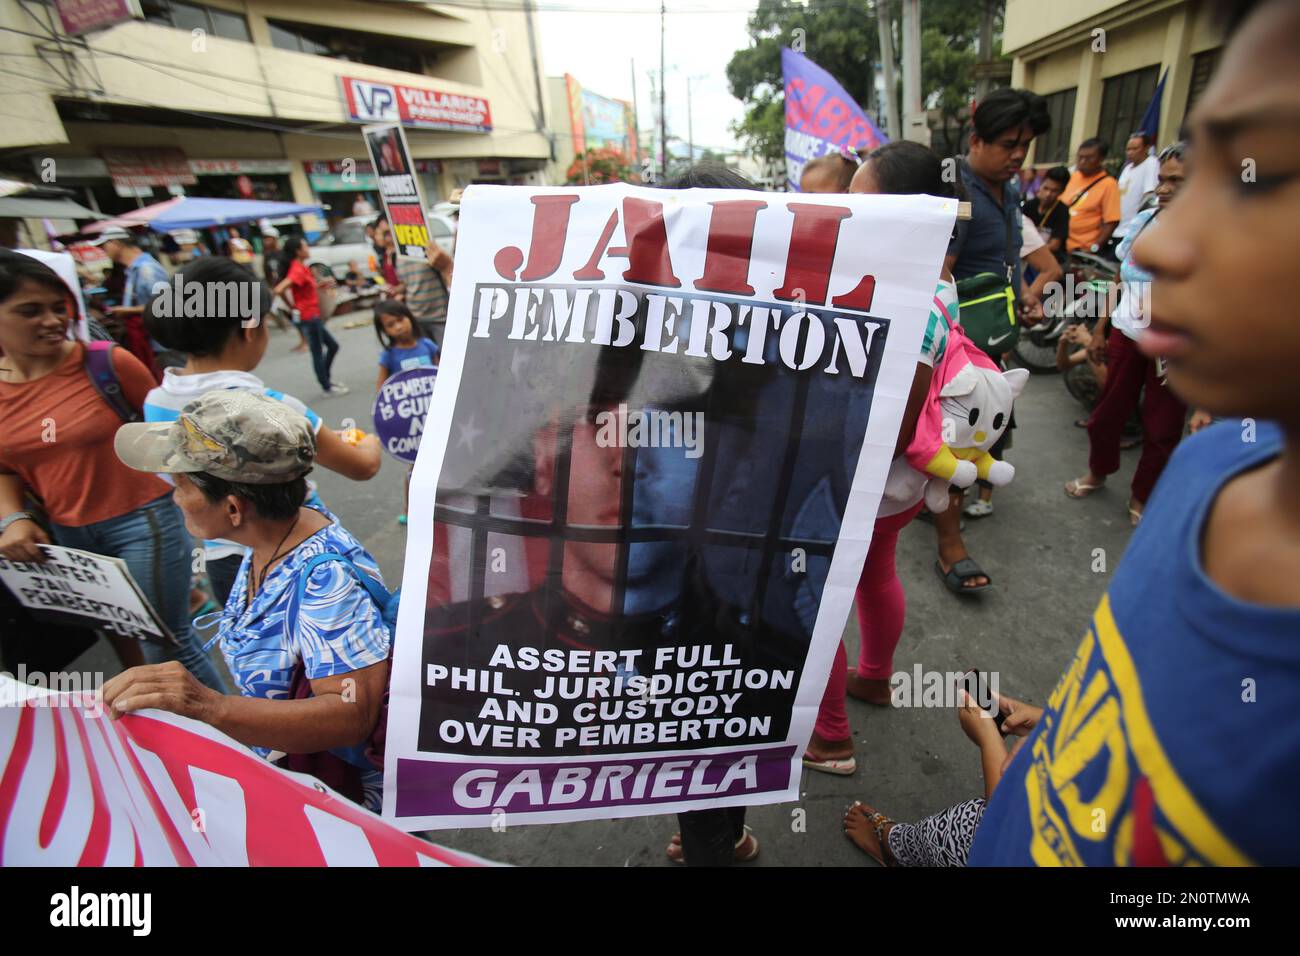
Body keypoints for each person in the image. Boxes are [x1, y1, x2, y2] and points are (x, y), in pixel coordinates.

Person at [107, 391, 392, 813]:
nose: (174, 497)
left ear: (234, 507)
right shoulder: (274, 534)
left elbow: (351, 715)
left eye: (181, 484)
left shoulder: (325, 581)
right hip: (294, 780)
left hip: (345, 807)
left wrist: (209, 706)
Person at [805, 140, 965, 774]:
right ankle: (873, 676)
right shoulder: (938, 281)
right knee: (875, 576)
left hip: (867, 478)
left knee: (816, 602)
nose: (850, 214)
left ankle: (831, 738)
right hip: (900, 487)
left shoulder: (909, 296)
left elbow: (897, 421)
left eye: (861, 203)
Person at [0, 250, 224, 690]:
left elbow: (172, 430)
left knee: (165, 643)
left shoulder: (106, 363)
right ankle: (163, 746)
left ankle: (234, 745)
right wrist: (13, 519)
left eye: (57, 307)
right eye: (30, 311)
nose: (51, 320)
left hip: (145, 522)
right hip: (66, 536)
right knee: (127, 646)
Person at [143, 256, 382, 604]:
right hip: (299, 553)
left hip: (225, 561)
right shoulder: (274, 406)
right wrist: (370, 443)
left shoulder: (155, 402)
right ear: (250, 328)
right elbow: (362, 467)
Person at [941, 86, 1050, 592]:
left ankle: (953, 499)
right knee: (959, 440)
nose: (1016, 156)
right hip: (959, 349)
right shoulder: (956, 192)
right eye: (1008, 144)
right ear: (976, 140)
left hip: (996, 338)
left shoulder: (1009, 192)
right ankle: (949, 548)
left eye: (1023, 147)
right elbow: (942, 274)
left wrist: (1025, 295)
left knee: (986, 432)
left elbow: (1017, 260)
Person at [1065, 142, 1189, 525]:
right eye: (1162, 180)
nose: (1164, 189)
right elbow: (1119, 279)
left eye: (1177, 182)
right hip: (1125, 333)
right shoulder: (1146, 222)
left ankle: (1142, 496)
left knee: (1162, 427)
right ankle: (1098, 472)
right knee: (1106, 415)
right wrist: (1101, 328)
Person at [89, 226, 169, 379]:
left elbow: (165, 305)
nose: (103, 251)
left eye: (104, 246)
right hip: (152, 342)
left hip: (160, 344)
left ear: (116, 243)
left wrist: (127, 311)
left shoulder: (147, 269)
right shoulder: (134, 270)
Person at [274, 236, 348, 397]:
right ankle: (326, 386)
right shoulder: (297, 269)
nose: (308, 249)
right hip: (308, 316)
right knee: (318, 351)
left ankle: (326, 380)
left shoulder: (301, 267)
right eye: (305, 246)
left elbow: (304, 288)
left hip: (311, 314)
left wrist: (321, 285)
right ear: (298, 251)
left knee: (332, 346)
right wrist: (291, 306)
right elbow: (279, 289)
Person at [1062, 138, 1122, 257]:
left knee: (1070, 276)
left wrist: (1094, 248)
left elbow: (1112, 221)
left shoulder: (1108, 184)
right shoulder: (1073, 177)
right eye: (1080, 157)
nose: (1083, 162)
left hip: (1080, 251)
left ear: (1101, 159)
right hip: (1062, 246)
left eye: (1089, 158)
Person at [393, 241, 454, 346]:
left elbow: (448, 277)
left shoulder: (431, 252)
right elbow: (406, 284)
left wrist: (447, 267)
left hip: (440, 317)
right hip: (417, 318)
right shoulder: (399, 256)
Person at [1115, 131, 1160, 241]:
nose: (1130, 153)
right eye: (1128, 149)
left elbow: (1149, 196)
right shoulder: (1127, 168)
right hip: (1119, 228)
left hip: (1134, 229)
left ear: (1147, 148)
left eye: (1135, 149)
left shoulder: (1151, 163)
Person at [1021, 164, 1070, 263]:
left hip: (1052, 259)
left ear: (1062, 191)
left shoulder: (1062, 211)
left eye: (1054, 191)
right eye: (1046, 188)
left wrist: (1028, 251)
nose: (1048, 194)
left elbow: (1054, 245)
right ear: (1041, 184)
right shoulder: (1029, 206)